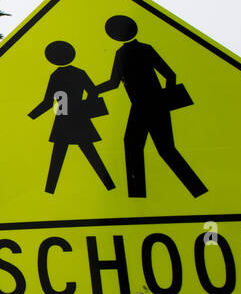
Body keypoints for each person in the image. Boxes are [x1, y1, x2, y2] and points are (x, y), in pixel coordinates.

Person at [96, 15, 206, 198]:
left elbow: (113, 83)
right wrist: (165, 100)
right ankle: (197, 189)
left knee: (137, 146)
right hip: (154, 104)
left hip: (143, 106)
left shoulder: (123, 54)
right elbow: (170, 75)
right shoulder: (142, 49)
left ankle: (138, 195)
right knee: (163, 149)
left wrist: (93, 91)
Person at [29, 41, 114, 194]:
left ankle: (49, 190)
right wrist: (85, 107)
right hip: (79, 118)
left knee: (58, 157)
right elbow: (93, 91)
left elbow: (48, 102)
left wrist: (31, 116)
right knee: (90, 153)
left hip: (62, 119)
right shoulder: (79, 73)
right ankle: (110, 186)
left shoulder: (56, 75)